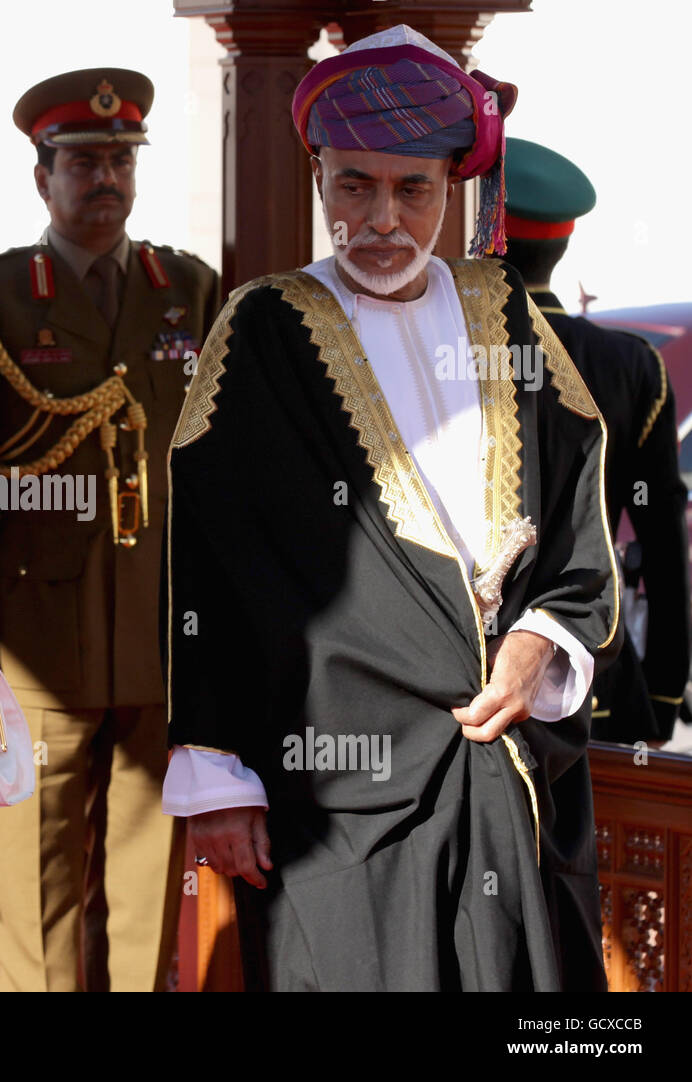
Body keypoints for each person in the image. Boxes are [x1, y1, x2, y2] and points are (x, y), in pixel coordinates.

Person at [164, 25, 618, 991]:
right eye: (353, 186)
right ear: (320, 180)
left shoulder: (503, 312)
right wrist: (216, 774)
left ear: (451, 187)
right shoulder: (265, 327)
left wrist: (545, 636)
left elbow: (579, 506)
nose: (381, 218)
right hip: (336, 782)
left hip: (507, 758)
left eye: (411, 188)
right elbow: (205, 564)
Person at [0, 67, 219, 992]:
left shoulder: (185, 288)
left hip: (154, 636)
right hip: (37, 644)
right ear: (43, 179)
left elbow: (216, 475)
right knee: (41, 885)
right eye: (84, 162)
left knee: (147, 887)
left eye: (120, 160)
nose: (106, 178)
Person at [500, 137, 689, 748]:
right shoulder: (631, 365)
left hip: (463, 686)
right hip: (599, 691)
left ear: (487, 231)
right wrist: (660, 697)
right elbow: (662, 549)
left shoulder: (438, 353)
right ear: (565, 239)